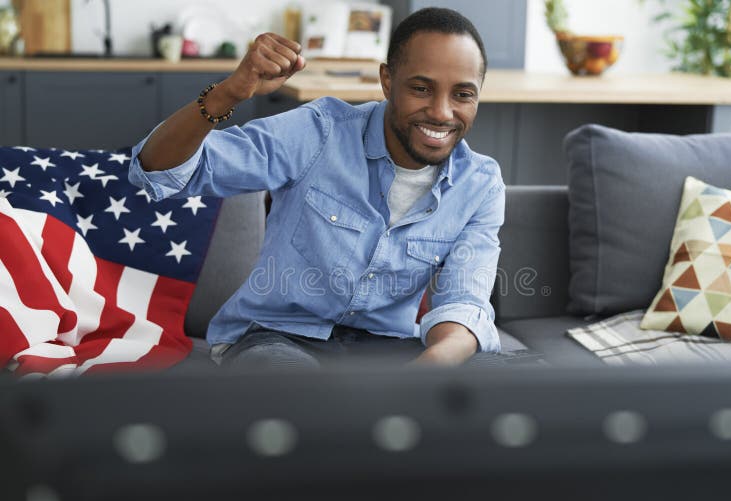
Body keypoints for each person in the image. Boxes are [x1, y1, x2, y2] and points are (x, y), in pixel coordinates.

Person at [128, 8, 507, 368]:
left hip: (384, 349)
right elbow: (158, 170)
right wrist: (227, 93)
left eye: (463, 94)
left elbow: (463, 302)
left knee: (495, 377)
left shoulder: (480, 184)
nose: (442, 112)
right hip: (277, 338)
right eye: (422, 88)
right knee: (296, 386)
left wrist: (424, 374)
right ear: (387, 80)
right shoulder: (319, 132)